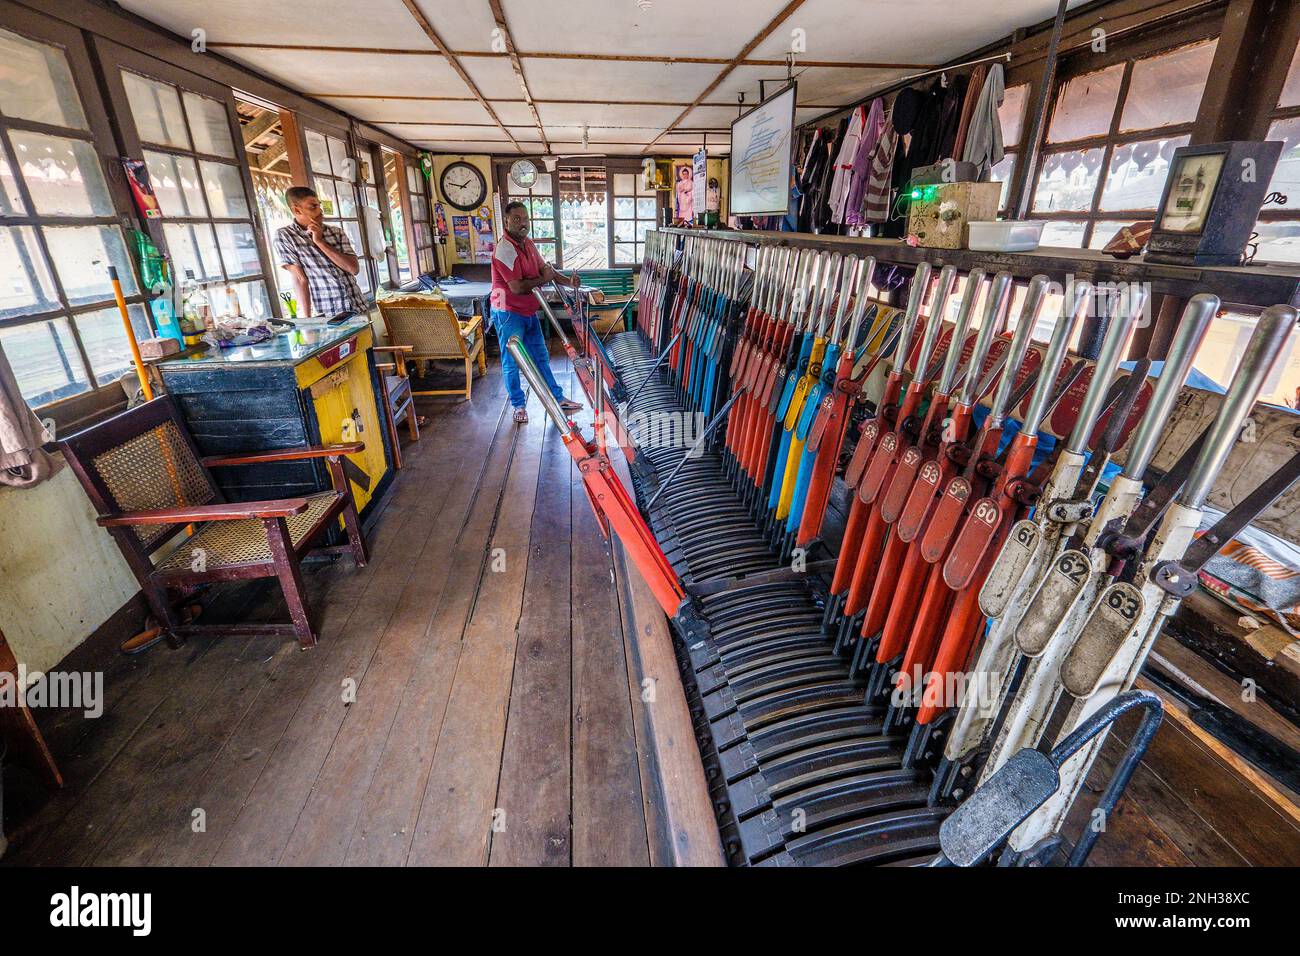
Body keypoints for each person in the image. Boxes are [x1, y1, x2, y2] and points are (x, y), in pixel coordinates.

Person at [491, 200, 584, 424]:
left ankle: (557, 397)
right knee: (513, 361)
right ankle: (518, 405)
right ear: (506, 221)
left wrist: (569, 282)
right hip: (507, 311)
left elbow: (546, 271)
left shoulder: (528, 244)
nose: (523, 223)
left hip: (529, 309)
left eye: (525, 219)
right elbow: (518, 287)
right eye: (517, 219)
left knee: (541, 356)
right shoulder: (504, 249)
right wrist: (547, 278)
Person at [274, 186, 366, 318]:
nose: (320, 211)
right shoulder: (286, 236)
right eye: (313, 207)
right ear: (296, 210)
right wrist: (307, 320)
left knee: (367, 339)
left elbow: (353, 268)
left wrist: (320, 242)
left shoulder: (336, 232)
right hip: (329, 315)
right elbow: (300, 280)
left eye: (319, 205)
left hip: (357, 307)